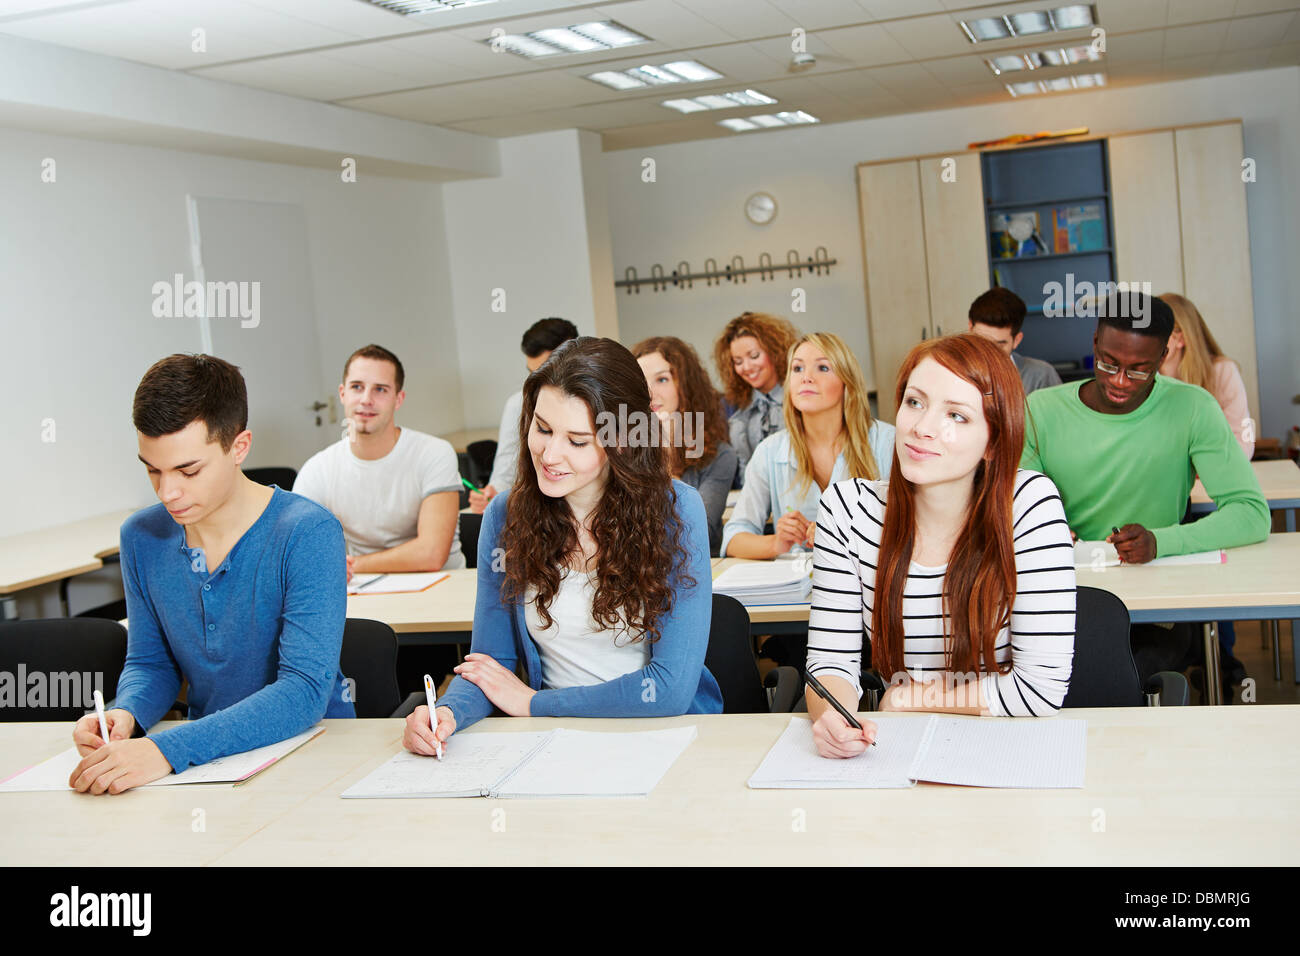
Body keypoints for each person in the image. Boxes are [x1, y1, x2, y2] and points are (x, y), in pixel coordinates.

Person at [402, 338, 722, 754]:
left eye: (577, 440)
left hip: (665, 739)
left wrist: (534, 703)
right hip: (551, 742)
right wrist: (447, 714)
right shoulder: (506, 515)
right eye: (543, 429)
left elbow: (669, 690)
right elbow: (490, 666)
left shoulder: (676, 510)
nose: (549, 455)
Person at [69, 354, 353, 795]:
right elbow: (150, 662)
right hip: (208, 766)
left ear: (239, 447)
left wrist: (165, 750)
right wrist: (126, 713)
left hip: (312, 756)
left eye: (188, 470)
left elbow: (302, 692)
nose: (168, 492)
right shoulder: (141, 536)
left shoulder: (307, 532)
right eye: (152, 470)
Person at [806, 334, 1076, 758]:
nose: (923, 427)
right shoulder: (846, 510)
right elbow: (829, 663)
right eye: (915, 402)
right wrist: (833, 715)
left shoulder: (1026, 504)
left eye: (957, 415)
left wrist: (913, 697)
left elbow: (1040, 689)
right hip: (901, 748)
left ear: (993, 442)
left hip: (1007, 747)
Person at [1021, 291, 1268, 685]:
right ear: (1095, 345)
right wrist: (1044, 528)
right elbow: (1014, 506)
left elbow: (1252, 514)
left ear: (1164, 356)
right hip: (1067, 594)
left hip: (1158, 604)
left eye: (1139, 369)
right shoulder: (1040, 410)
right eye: (1109, 364)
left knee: (1114, 674)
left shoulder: (1193, 407)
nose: (1120, 381)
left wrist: (1160, 542)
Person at [721, 332, 894, 559]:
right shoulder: (770, 451)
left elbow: (917, 528)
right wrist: (776, 543)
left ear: (846, 382)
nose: (806, 378)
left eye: (822, 368)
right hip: (799, 590)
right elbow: (734, 538)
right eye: (798, 369)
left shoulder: (888, 442)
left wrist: (840, 533)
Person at [295, 344, 464, 575]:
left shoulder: (434, 453)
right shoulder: (317, 469)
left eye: (381, 390)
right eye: (357, 387)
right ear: (343, 394)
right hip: (365, 593)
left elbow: (431, 553)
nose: (366, 399)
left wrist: (351, 566)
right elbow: (296, 550)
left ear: (399, 399)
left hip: (442, 588)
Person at [632, 335, 737, 555]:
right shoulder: (622, 451)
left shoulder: (720, 456)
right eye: (642, 381)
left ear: (686, 386)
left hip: (692, 575)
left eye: (662, 380)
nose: (650, 393)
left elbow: (700, 533)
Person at [470, 317, 580, 514]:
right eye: (532, 372)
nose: (537, 382)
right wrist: (492, 492)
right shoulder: (517, 404)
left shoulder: (598, 402)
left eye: (545, 370)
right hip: (540, 512)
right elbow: (505, 471)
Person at [1159, 292, 1255, 460]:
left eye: (1156, 332)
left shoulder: (1223, 372)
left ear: (1180, 339)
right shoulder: (1140, 378)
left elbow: (1243, 442)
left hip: (1213, 476)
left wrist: (1207, 466)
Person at [713, 312, 800, 480]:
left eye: (754, 356)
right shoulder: (731, 406)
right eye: (738, 362)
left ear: (775, 352)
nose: (746, 367)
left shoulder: (800, 397)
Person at [967, 287, 1062, 394]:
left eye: (998, 346)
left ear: (1017, 340)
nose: (988, 353)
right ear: (970, 327)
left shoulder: (1041, 376)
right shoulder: (953, 373)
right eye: (981, 342)